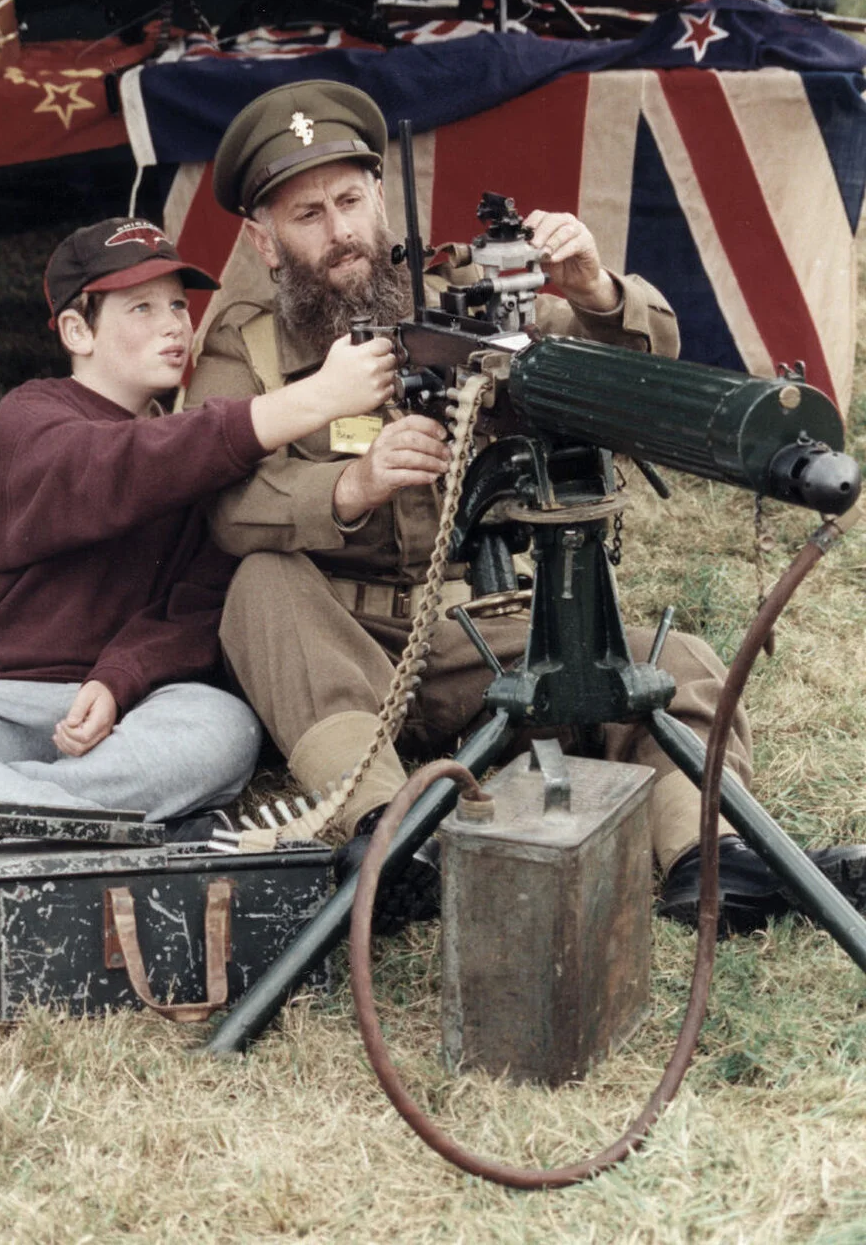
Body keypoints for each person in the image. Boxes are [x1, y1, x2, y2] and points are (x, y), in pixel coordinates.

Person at [185, 81, 866, 934]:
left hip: (482, 633)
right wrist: (350, 487)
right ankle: (390, 836)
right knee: (259, 584)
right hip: (344, 642)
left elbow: (633, 364)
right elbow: (225, 502)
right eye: (308, 215)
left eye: (352, 201)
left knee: (674, 661)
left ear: (380, 201)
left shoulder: (459, 292)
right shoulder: (242, 341)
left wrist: (594, 289)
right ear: (266, 241)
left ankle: (710, 857)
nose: (341, 232)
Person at [0, 216, 396, 853]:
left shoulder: (205, 452)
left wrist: (120, 679)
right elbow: (120, 467)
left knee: (223, 730)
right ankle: (62, 825)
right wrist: (311, 400)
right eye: (141, 307)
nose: (174, 324)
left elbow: (201, 604)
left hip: (137, 709)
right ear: (76, 330)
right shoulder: (29, 417)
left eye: (177, 304)